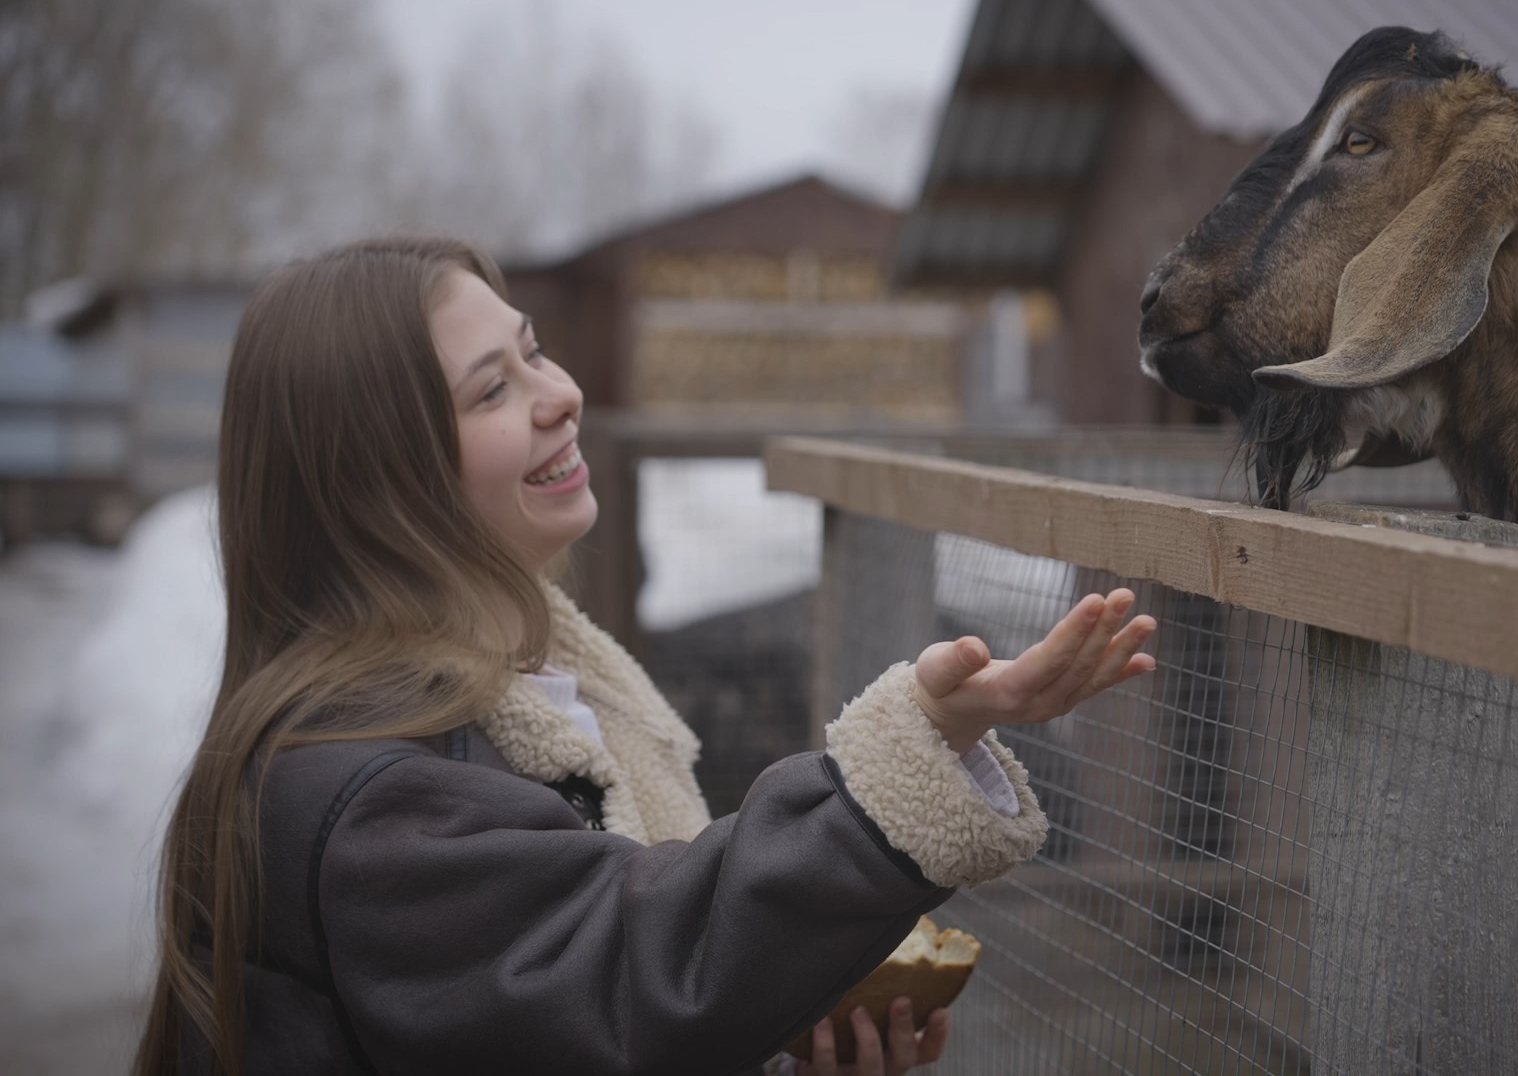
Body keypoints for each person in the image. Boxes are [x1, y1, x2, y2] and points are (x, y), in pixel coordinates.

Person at [133, 236, 1157, 1076]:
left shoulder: (516, 702)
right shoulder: (372, 795)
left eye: (534, 352)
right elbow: (625, 972)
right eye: (492, 391)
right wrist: (904, 766)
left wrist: (785, 1018)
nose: (559, 394)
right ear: (376, 480)